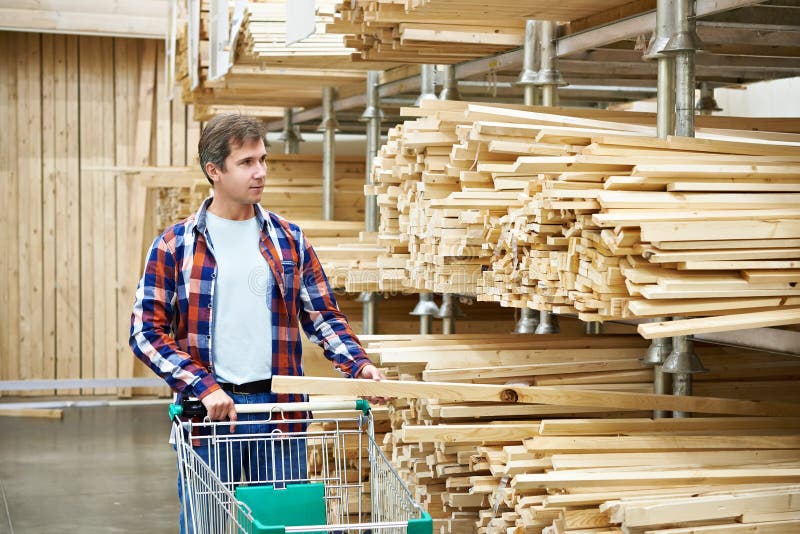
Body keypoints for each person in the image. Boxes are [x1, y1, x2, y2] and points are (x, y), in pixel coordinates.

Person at [130, 113, 384, 532]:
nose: (260, 172)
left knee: (283, 526)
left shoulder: (289, 240)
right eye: (246, 162)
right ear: (214, 170)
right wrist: (202, 385)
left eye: (263, 159)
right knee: (209, 527)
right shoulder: (175, 245)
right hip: (210, 417)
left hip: (280, 414)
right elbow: (145, 333)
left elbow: (323, 316)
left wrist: (360, 366)